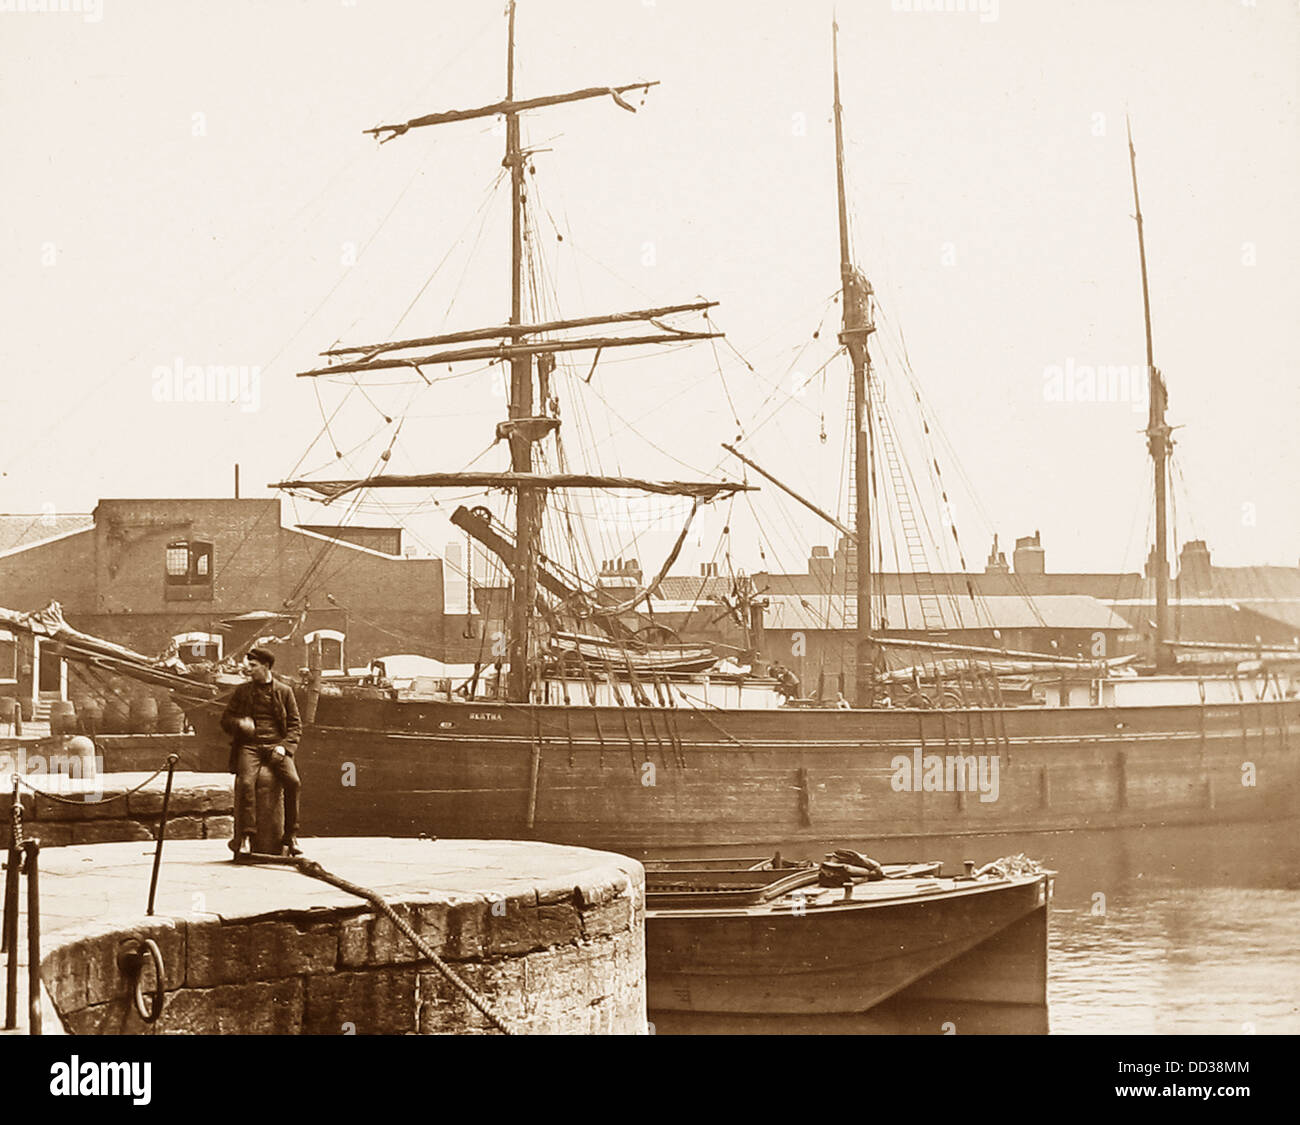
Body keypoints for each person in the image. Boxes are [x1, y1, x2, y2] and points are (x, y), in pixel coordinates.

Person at [220, 647, 302, 857]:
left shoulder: (285, 691)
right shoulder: (242, 692)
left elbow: (295, 726)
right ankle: (247, 836)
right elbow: (225, 720)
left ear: (266, 666)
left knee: (293, 782)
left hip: (277, 745)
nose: (249, 670)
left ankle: (290, 837)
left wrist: (284, 747)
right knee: (247, 782)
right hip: (250, 747)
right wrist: (240, 723)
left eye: (253, 666)